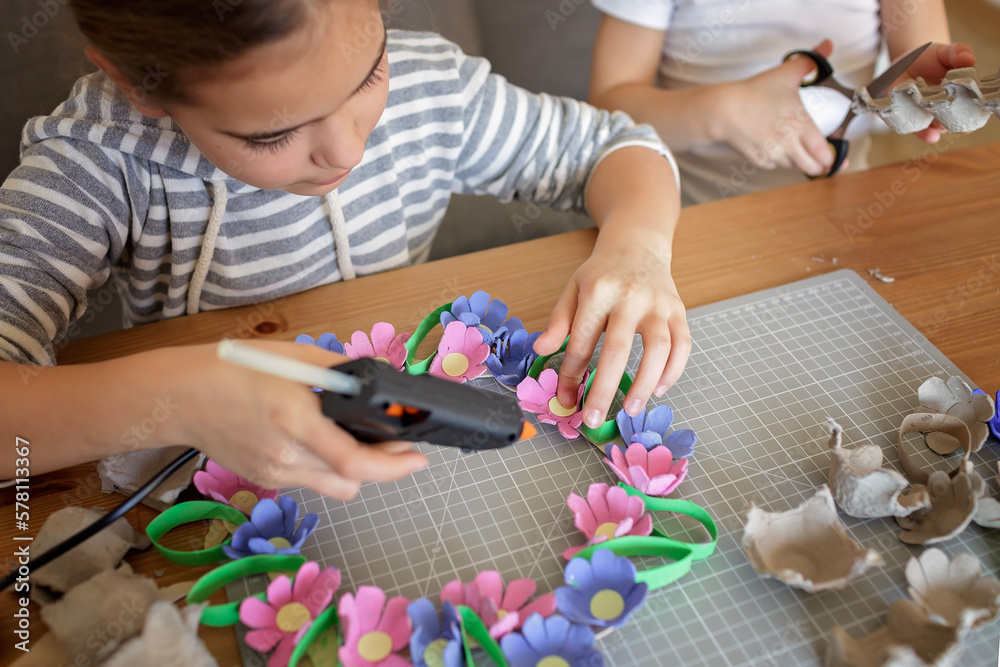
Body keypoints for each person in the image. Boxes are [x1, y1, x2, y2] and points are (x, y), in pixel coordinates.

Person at [0, 0, 690, 496]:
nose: (348, 149)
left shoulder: (432, 87)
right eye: (272, 134)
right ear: (134, 81)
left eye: (367, 76)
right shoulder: (99, 161)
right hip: (219, 482)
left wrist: (637, 247)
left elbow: (619, 147)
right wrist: (183, 395)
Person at [588, 0, 976, 205]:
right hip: (679, 209)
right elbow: (608, 111)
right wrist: (722, 111)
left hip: (842, 203)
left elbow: (916, 59)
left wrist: (921, 82)